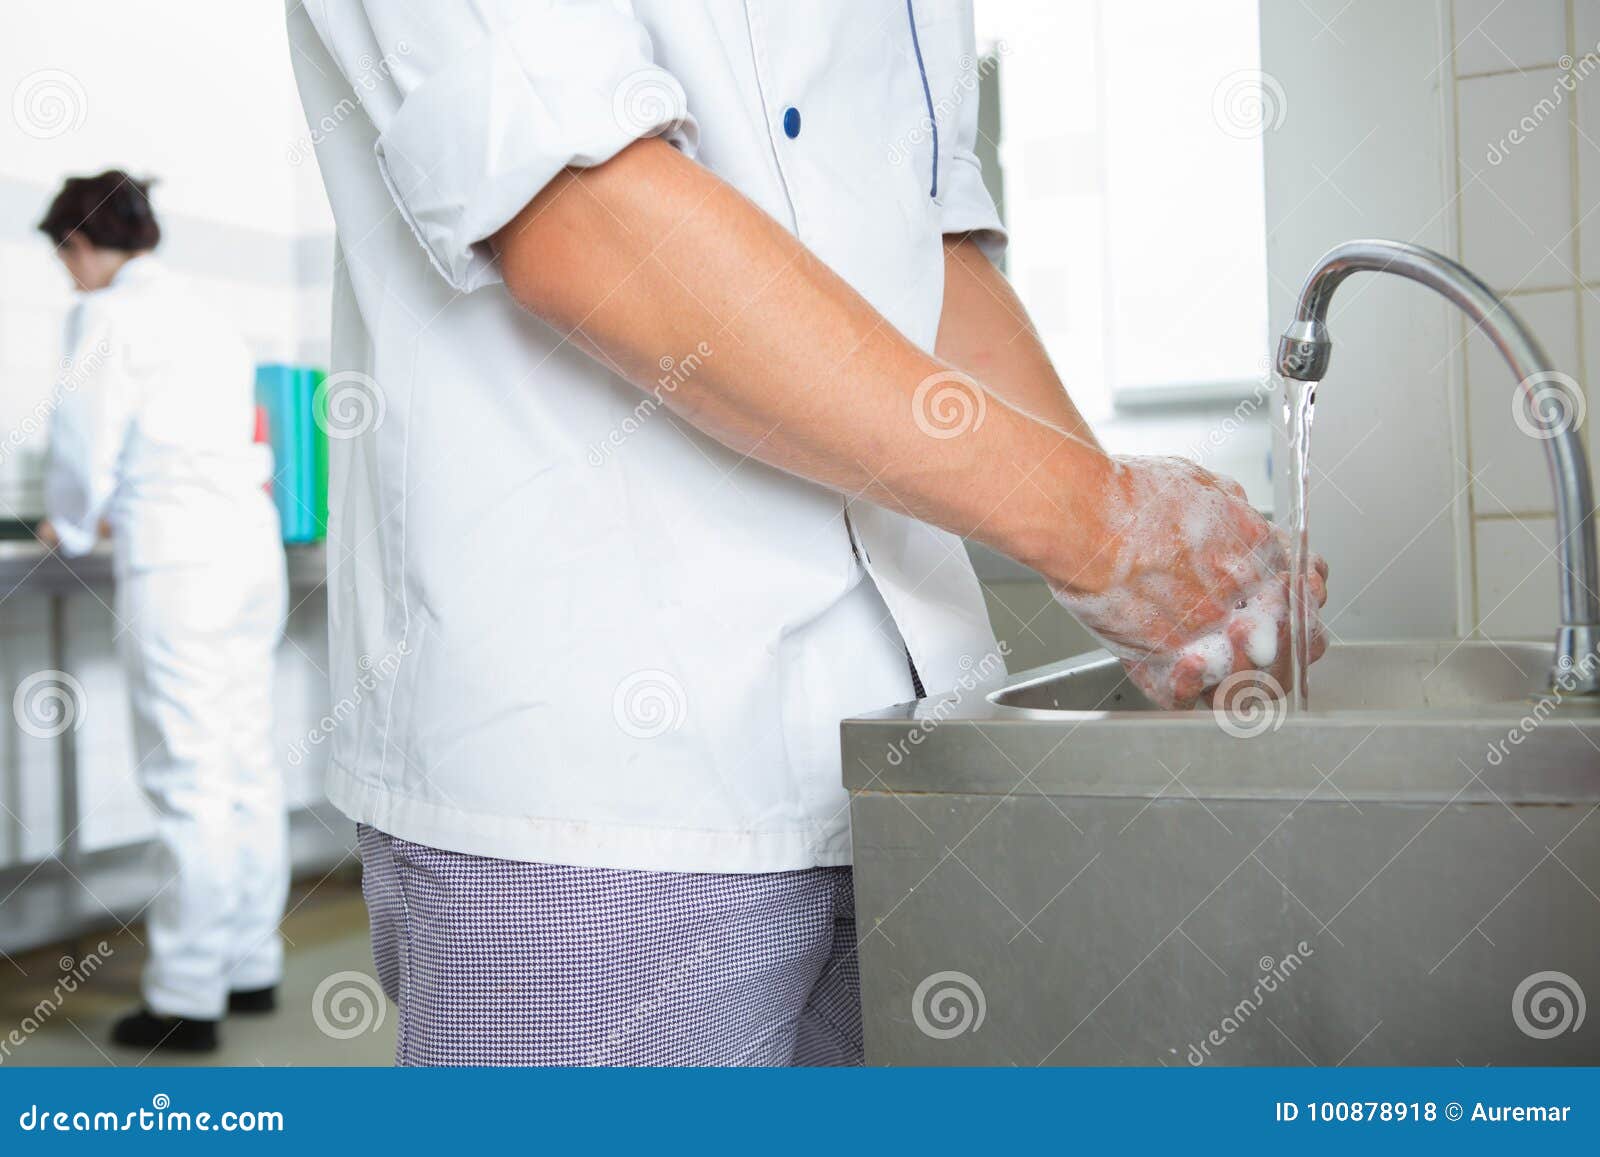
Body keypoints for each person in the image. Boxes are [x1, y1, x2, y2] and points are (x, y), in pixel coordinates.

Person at [288, 0, 1327, 1066]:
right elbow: (585, 218)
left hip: (906, 743)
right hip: (606, 778)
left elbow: (926, 255)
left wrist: (1177, 581)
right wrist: (1098, 528)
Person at [37, 171, 289, 1053]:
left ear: (79, 243)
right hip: (250, 553)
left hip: (179, 563)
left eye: (65, 256)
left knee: (188, 777)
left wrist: (68, 520)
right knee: (245, 763)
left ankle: (187, 996)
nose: (69, 275)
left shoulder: (106, 316)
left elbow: (79, 444)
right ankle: (250, 966)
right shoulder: (206, 314)